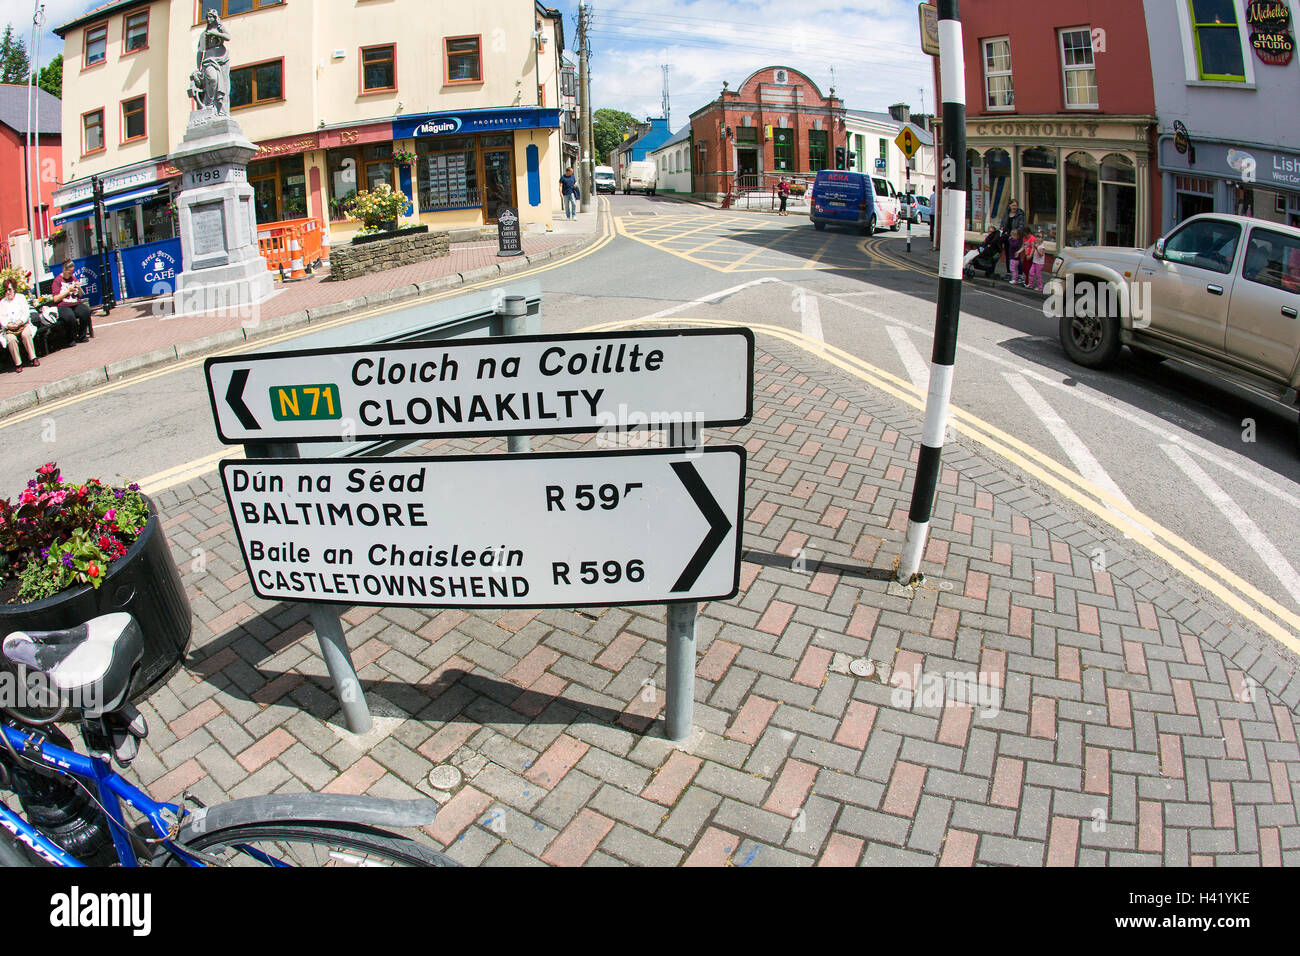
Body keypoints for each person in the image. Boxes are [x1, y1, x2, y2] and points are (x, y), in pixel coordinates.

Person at [2, 277, 39, 372]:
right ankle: (18, 363)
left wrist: (20, 321)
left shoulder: (21, 298)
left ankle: (33, 358)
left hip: (22, 325)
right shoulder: (2, 303)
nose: (8, 292)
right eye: (6, 290)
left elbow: (26, 313)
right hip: (10, 329)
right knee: (10, 339)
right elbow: (1, 318)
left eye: (9, 289)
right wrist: (8, 325)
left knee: (26, 334)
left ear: (14, 288)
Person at [51, 261, 92, 344]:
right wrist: (68, 291)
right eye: (70, 272)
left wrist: (79, 288)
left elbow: (80, 295)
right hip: (63, 305)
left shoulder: (73, 278)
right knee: (70, 316)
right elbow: (55, 299)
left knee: (86, 311)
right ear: (64, 270)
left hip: (75, 302)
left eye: (72, 272)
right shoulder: (57, 281)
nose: (71, 274)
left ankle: (82, 336)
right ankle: (71, 338)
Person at [1001, 199, 1025, 279]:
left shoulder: (1020, 215)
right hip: (1007, 237)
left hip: (1016, 238)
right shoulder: (1006, 214)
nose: (1014, 207)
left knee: (1016, 256)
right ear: (1009, 206)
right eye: (1013, 205)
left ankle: (1020, 274)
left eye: (1016, 205)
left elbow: (1021, 226)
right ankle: (1009, 273)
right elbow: (1003, 223)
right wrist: (1002, 230)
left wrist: (1015, 234)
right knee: (1008, 255)